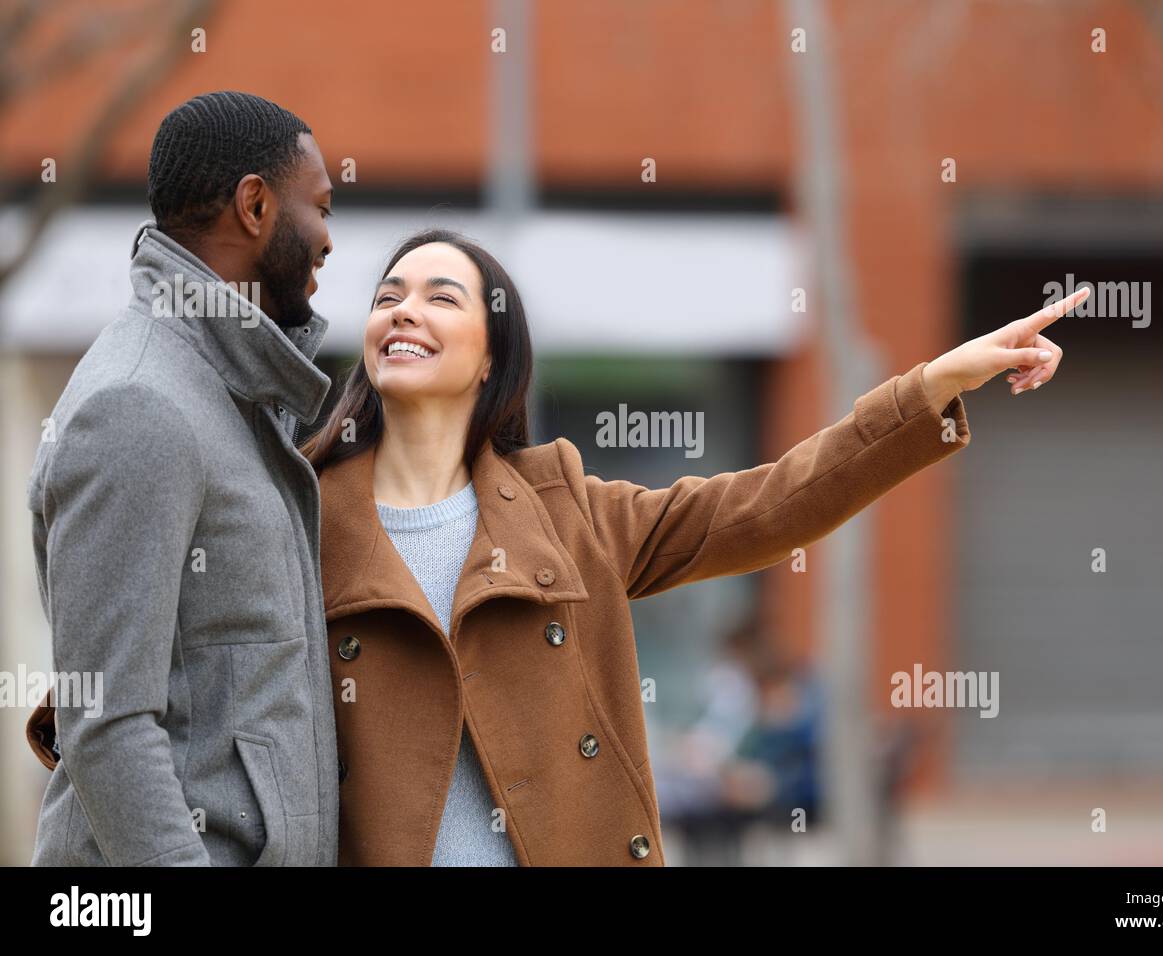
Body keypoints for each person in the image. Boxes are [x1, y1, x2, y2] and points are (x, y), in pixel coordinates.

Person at [298, 227, 1089, 866]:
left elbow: (771, 505)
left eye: (441, 297)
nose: (404, 311)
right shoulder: (302, 519)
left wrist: (931, 388)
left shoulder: (566, 511)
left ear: (492, 357)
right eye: (387, 296)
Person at [24, 90, 339, 866]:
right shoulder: (140, 402)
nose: (329, 239)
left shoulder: (225, 393)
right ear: (255, 205)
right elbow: (105, 721)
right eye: (322, 207)